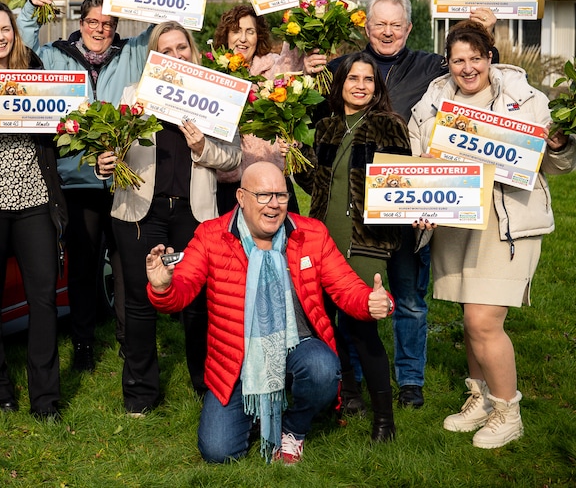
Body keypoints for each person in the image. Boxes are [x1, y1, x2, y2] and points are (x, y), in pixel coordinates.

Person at [143, 162, 393, 465]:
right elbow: (181, 291)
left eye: (281, 195)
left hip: (297, 345)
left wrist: (372, 301)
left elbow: (346, 286)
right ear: (241, 197)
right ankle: (261, 410)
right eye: (263, 196)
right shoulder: (212, 235)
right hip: (237, 359)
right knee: (218, 452)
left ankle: (293, 429)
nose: (274, 205)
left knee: (322, 368)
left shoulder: (311, 233)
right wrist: (162, 287)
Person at [320, 0, 497, 409]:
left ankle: (411, 381)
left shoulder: (431, 66)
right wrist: (312, 69)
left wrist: (486, 33)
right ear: (366, 26)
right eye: (379, 23)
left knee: (410, 297)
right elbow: (316, 115)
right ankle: (353, 381)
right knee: (352, 295)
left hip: (409, 199)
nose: (387, 31)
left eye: (395, 25)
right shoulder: (341, 68)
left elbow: (477, 70)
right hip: (355, 204)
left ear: (409, 28)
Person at [409, 21, 576, 448]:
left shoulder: (526, 99)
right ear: (448, 63)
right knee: (470, 321)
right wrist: (423, 177)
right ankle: (480, 398)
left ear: (489, 58)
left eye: (475, 59)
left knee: (482, 320)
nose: (467, 69)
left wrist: (557, 146)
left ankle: (508, 411)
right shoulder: (434, 99)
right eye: (457, 60)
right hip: (457, 221)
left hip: (507, 221)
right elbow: (417, 151)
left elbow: (558, 163)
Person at [18, 0, 162, 372]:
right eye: (94, 22)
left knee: (125, 267)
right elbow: (21, 46)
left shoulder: (131, 55)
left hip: (126, 182)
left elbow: (159, 29)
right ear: (80, 23)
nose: (101, 30)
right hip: (77, 183)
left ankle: (125, 341)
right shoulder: (52, 56)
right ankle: (82, 343)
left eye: (109, 23)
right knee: (82, 269)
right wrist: (31, 6)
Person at [96, 21, 241, 411]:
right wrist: (103, 163)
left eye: (182, 48)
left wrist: (203, 147)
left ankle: (206, 385)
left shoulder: (215, 96)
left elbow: (233, 156)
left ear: (192, 52)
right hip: (140, 212)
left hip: (194, 215)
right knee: (140, 303)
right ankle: (141, 395)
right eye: (166, 50)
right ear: (153, 58)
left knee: (198, 304)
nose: (175, 56)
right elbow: (108, 150)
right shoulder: (133, 96)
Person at [296, 52, 411, 442]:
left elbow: (402, 187)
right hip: (323, 240)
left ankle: (384, 421)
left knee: (362, 330)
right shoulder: (327, 127)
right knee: (324, 324)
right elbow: (317, 185)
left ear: (377, 88)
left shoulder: (389, 126)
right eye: (353, 79)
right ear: (340, 84)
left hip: (366, 242)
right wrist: (293, 159)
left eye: (368, 80)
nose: (360, 86)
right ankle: (347, 396)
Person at [0, 1, 67, 419]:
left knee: (42, 299)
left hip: (35, 200)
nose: (1, 37)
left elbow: (58, 118)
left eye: (6, 28)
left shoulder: (33, 68)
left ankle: (46, 399)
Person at [211, 4, 327, 216]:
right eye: (236, 31)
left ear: (259, 36)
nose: (243, 39)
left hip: (271, 178)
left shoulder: (272, 67)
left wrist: (300, 14)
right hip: (229, 181)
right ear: (226, 36)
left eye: (250, 31)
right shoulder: (213, 74)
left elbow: (291, 63)